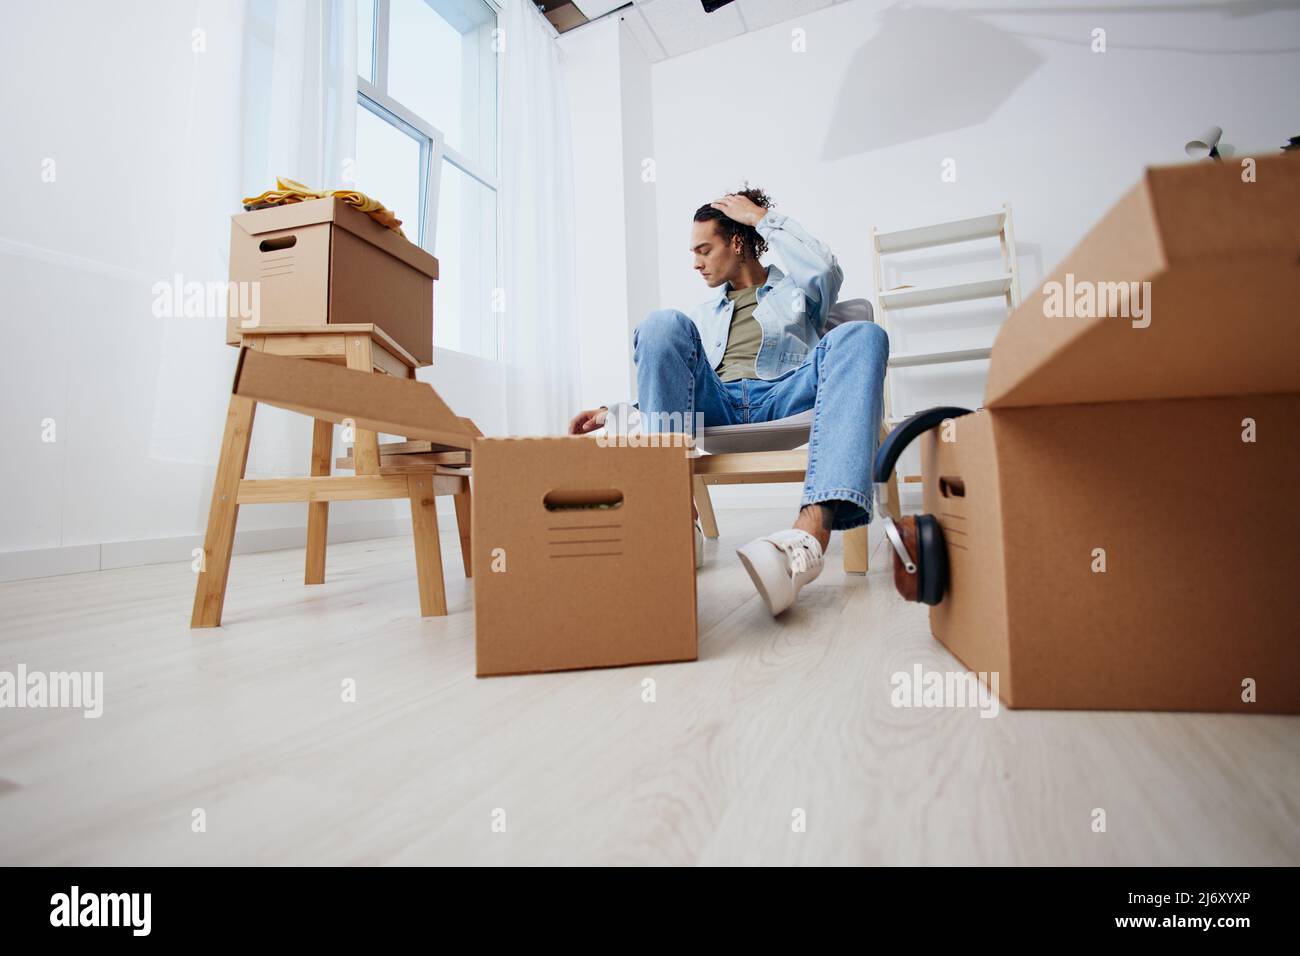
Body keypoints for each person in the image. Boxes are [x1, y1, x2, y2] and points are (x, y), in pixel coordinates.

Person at [568, 188, 888, 615]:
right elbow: (673, 383)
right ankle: (675, 522)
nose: (696, 262)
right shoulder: (703, 314)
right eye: (693, 252)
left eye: (705, 249)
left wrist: (762, 218)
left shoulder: (798, 292)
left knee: (864, 334)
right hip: (714, 404)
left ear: (737, 243)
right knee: (662, 323)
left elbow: (826, 268)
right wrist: (617, 412)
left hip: (786, 393)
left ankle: (807, 538)